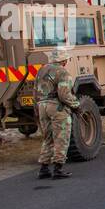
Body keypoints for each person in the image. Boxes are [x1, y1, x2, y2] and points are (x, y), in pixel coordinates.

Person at [36, 49, 81, 179]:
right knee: (61, 137)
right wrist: (76, 106)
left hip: (42, 106)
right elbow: (64, 94)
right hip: (57, 107)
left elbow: (35, 91)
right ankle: (58, 169)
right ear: (63, 60)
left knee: (47, 137)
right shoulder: (62, 72)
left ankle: (44, 168)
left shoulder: (41, 70)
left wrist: (36, 108)